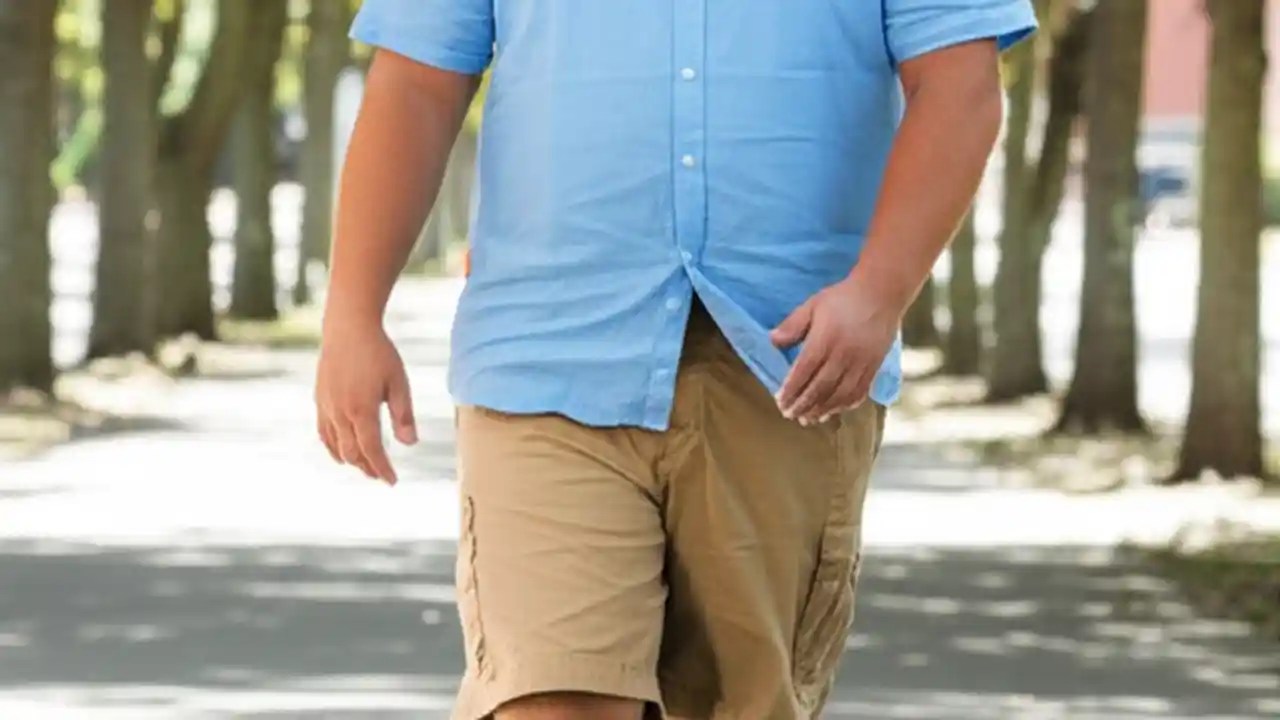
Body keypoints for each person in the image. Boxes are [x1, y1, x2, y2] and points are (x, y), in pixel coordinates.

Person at [315, 2, 1036, 718]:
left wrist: (879, 292)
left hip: (787, 365)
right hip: (546, 353)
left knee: (744, 704)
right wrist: (353, 314)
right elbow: (417, 81)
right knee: (550, 699)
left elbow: (959, 82)